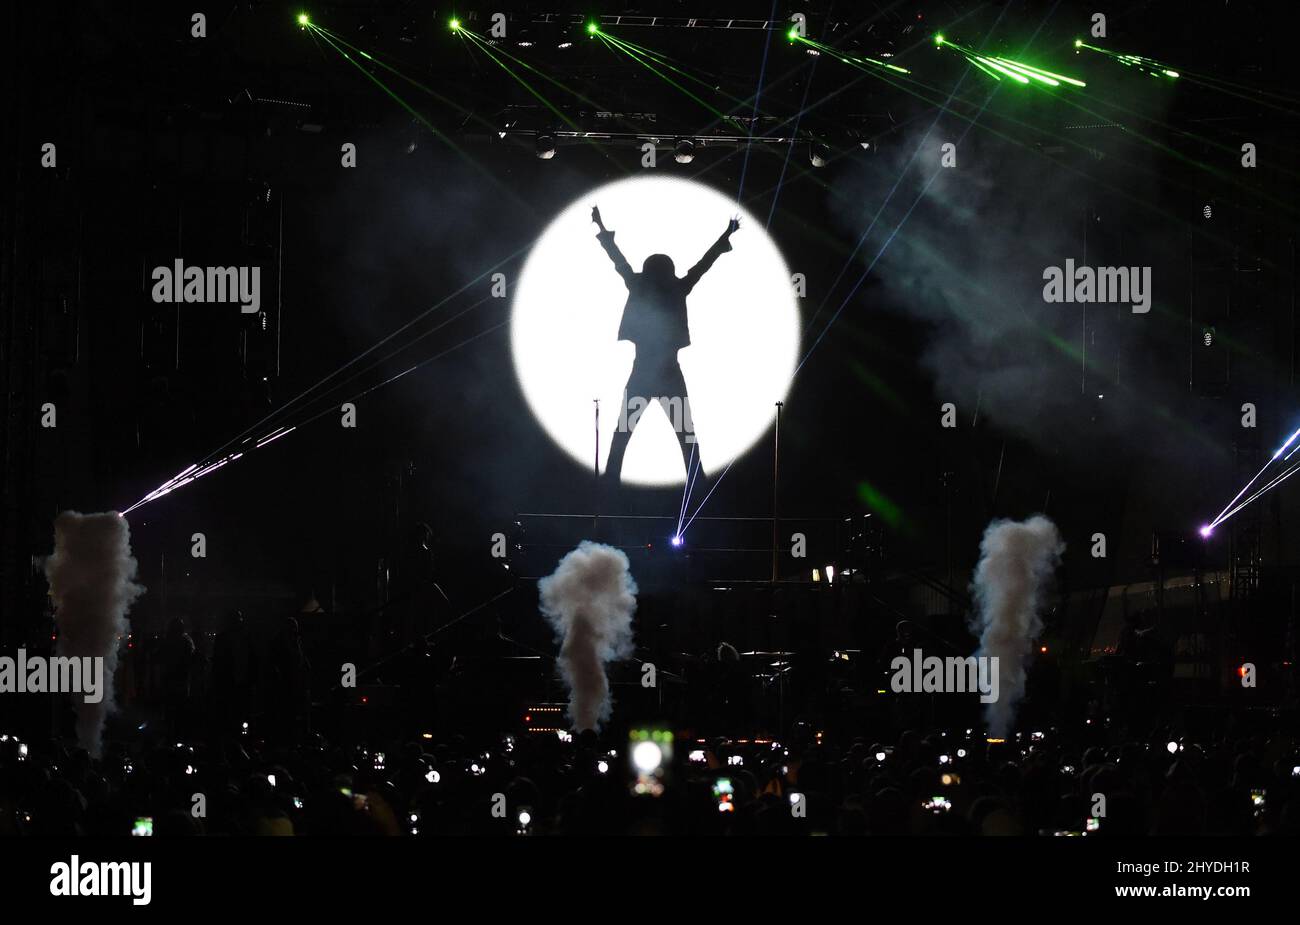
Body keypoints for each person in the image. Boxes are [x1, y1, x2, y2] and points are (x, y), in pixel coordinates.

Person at [592, 205, 738, 484]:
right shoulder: (676, 288)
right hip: (668, 373)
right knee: (683, 434)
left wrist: (601, 228)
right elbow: (703, 265)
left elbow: (618, 259)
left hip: (644, 372)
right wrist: (724, 237)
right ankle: (697, 481)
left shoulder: (639, 284)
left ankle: (611, 481)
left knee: (625, 432)